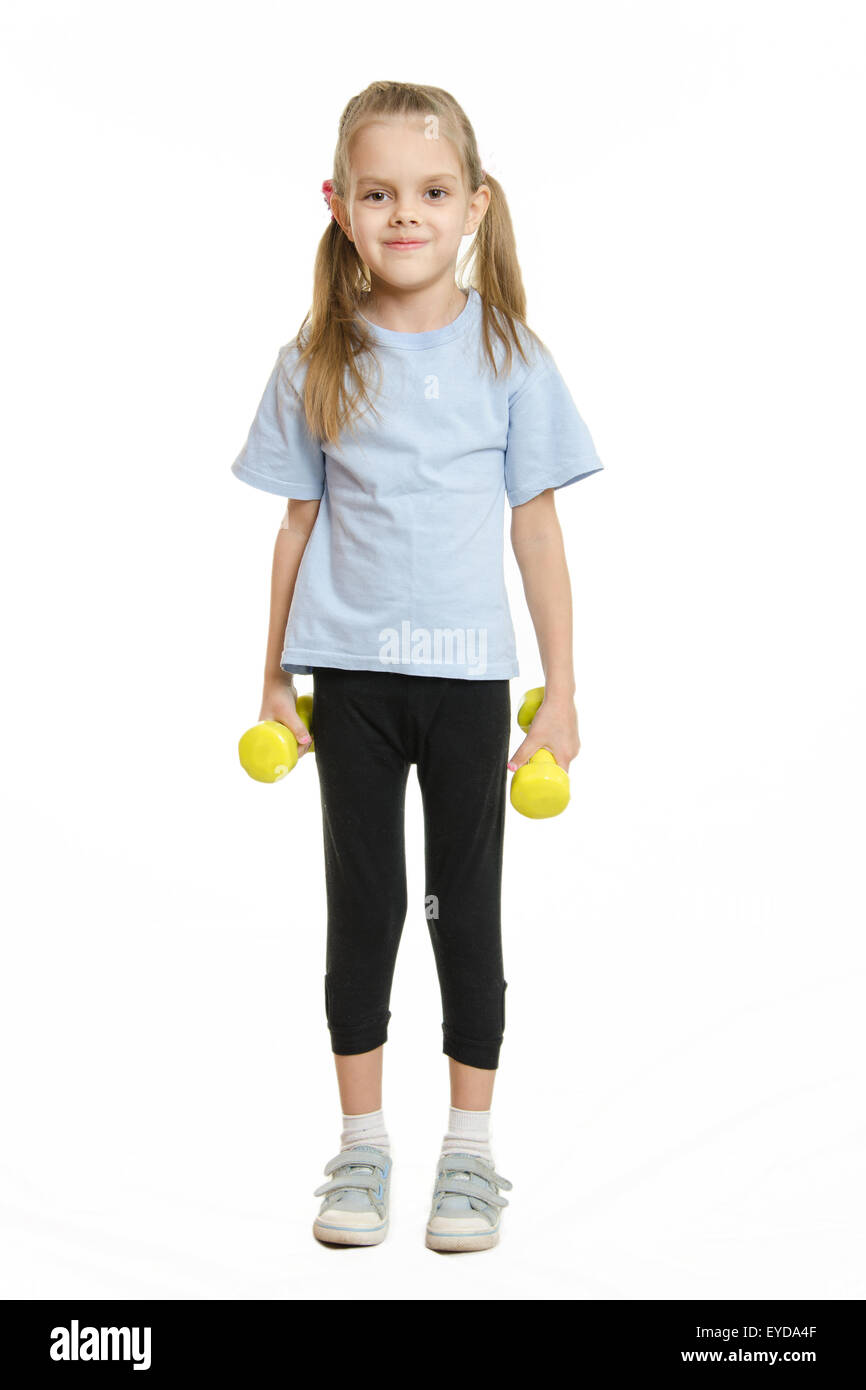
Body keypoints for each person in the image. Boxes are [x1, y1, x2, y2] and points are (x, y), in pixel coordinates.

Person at [230, 80, 604, 1252]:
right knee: (368, 906)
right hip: (347, 679)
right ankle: (360, 1147)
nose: (407, 214)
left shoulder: (508, 353)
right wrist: (272, 683)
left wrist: (562, 692)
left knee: (462, 912)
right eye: (380, 192)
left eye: (431, 192)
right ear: (340, 206)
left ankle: (470, 1158)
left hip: (466, 687)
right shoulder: (312, 361)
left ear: (474, 206)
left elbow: (532, 526)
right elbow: (293, 529)